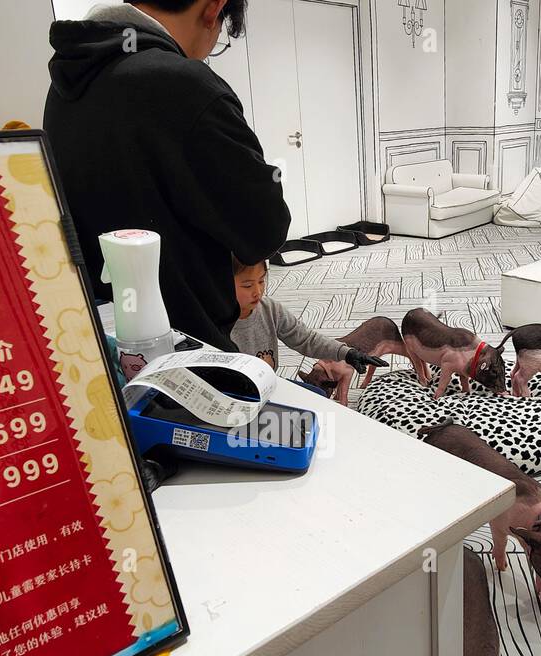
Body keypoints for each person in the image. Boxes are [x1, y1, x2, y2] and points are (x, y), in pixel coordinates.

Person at [43, 1, 290, 352]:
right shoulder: (186, 84)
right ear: (213, 8)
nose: (208, 51)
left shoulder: (66, 87)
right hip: (186, 345)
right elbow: (264, 230)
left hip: (104, 337)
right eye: (220, 37)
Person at [230, 258, 385, 388]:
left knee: (318, 397)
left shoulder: (269, 309)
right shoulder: (216, 325)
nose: (258, 291)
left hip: (268, 385)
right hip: (234, 395)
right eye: (248, 285)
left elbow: (305, 339)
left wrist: (347, 353)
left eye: (262, 280)